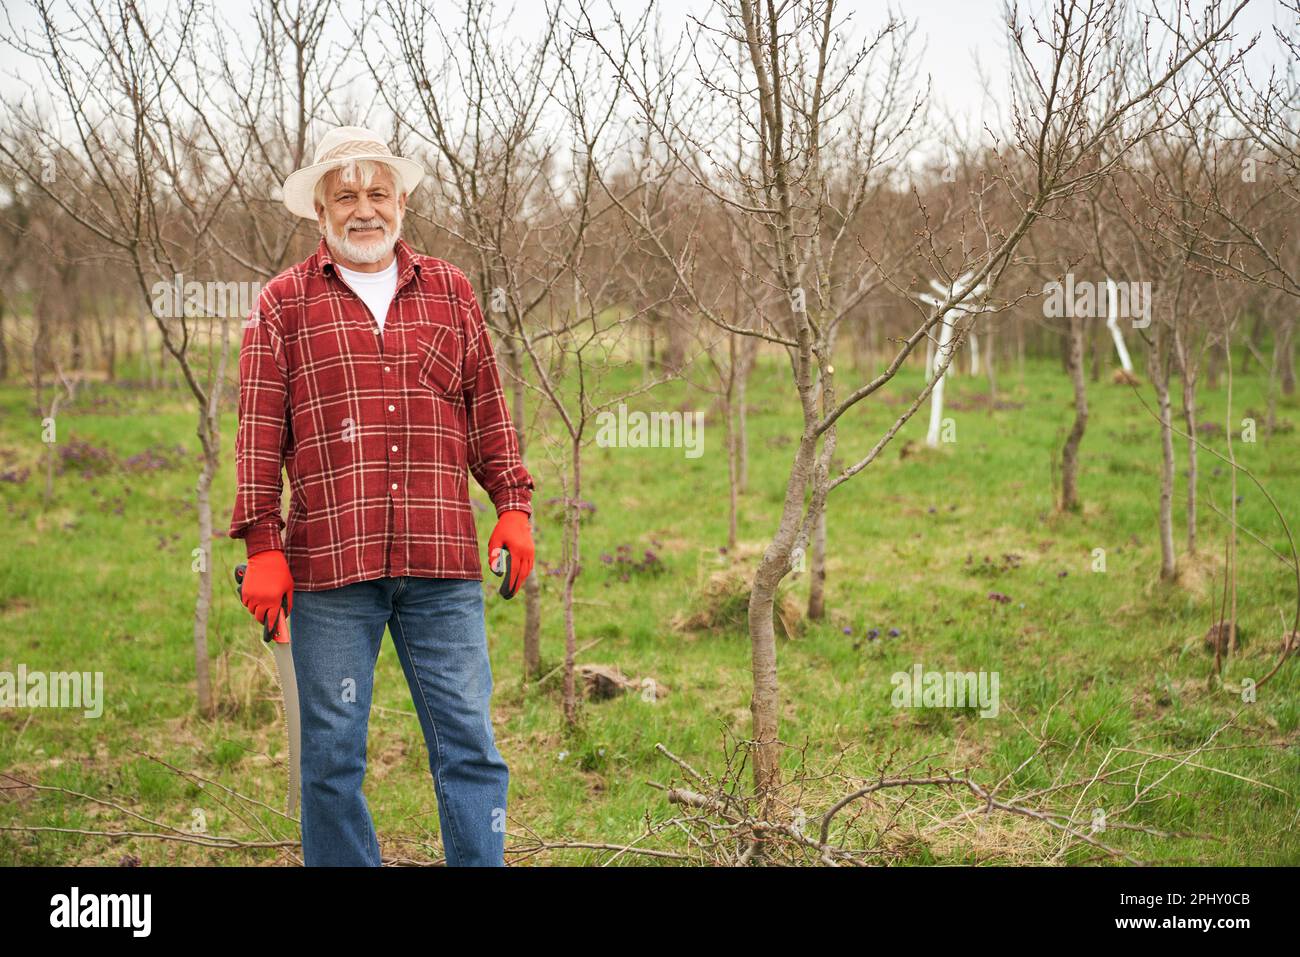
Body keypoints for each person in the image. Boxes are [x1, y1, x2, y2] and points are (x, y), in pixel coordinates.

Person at [228, 125, 535, 866]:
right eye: (346, 196)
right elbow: (259, 431)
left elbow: (487, 408)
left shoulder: (451, 290)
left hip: (441, 565)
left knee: (470, 745)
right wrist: (263, 546)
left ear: (400, 201)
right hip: (332, 569)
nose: (364, 209)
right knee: (332, 759)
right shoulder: (283, 305)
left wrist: (514, 504)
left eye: (377, 193)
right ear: (321, 210)